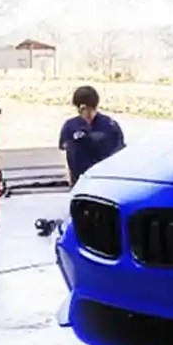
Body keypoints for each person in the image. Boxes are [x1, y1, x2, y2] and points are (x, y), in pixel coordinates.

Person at [38, 86, 124, 236]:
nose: (86, 113)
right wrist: (68, 173)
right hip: (79, 177)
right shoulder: (70, 126)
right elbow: (64, 148)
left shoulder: (110, 126)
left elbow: (119, 150)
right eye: (83, 109)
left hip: (103, 179)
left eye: (89, 109)